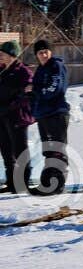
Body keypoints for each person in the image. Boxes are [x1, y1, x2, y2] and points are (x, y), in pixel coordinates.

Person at [27, 40, 71, 196]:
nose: (44, 55)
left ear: (51, 52)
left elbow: (54, 89)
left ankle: (57, 184)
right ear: (36, 55)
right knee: (48, 150)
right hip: (44, 114)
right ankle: (47, 183)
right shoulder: (41, 69)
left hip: (56, 113)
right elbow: (36, 94)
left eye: (46, 51)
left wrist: (35, 90)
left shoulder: (55, 66)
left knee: (57, 150)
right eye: (40, 53)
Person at [0, 41, 34, 195]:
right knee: (6, 151)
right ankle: (11, 182)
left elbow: (27, 94)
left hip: (17, 117)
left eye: (3, 53)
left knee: (20, 150)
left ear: (12, 55)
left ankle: (22, 183)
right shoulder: (2, 70)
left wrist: (10, 106)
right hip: (2, 117)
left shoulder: (23, 72)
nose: (0, 56)